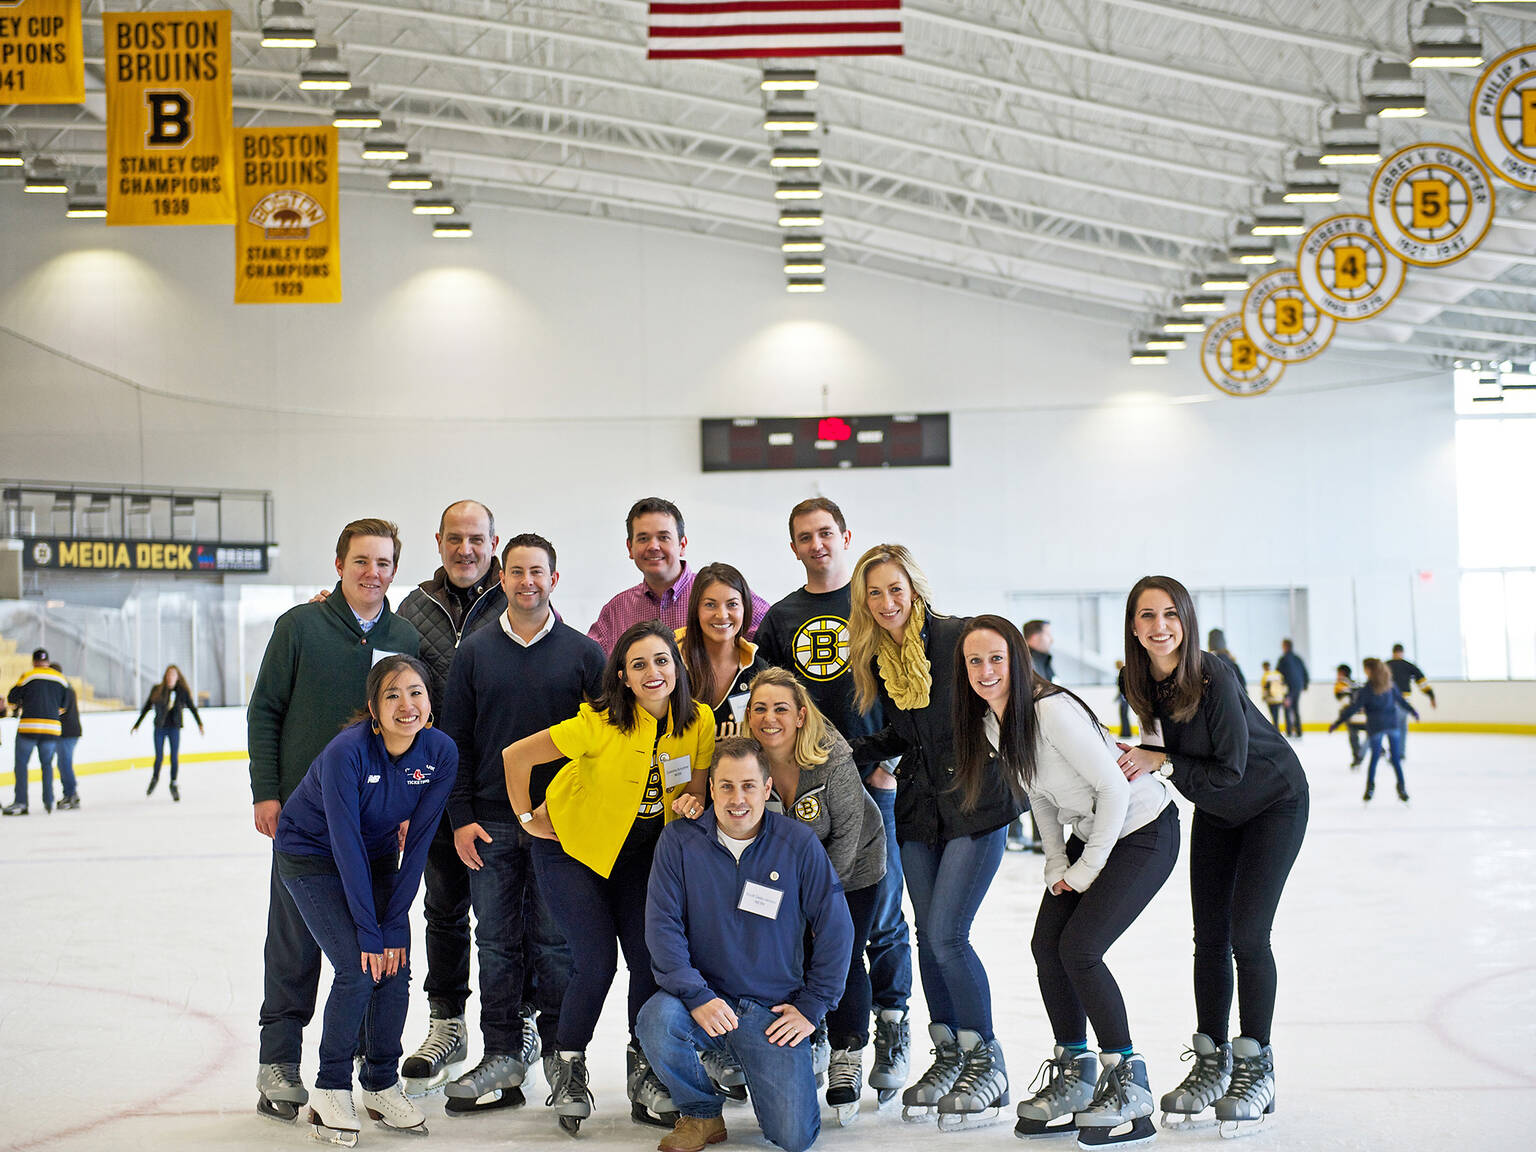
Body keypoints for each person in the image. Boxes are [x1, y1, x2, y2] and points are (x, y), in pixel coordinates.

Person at [953, 616, 1178, 1144]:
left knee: (1080, 949)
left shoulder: (1049, 711)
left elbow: (1114, 790)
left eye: (996, 659)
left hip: (1143, 829)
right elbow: (1041, 798)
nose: (986, 671)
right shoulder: (993, 721)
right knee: (1046, 946)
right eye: (974, 662)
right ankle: (1076, 1071)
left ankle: (1129, 1079)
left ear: (1017, 658)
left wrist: (1087, 868)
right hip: (1092, 832)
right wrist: (1057, 865)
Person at [502, 620, 714, 1134]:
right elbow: (516, 755)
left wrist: (695, 800)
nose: (652, 672)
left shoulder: (699, 720)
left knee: (649, 960)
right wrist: (529, 820)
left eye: (662, 660)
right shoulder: (598, 721)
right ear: (621, 675)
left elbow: (700, 786)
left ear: (677, 666)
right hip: (574, 852)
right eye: (638, 664)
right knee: (596, 963)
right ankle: (569, 1066)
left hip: (640, 859)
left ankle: (645, 1069)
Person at [1118, 576, 1308, 1137]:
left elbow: (1227, 767)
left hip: (1273, 800)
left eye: (1171, 614)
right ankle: (1212, 1058)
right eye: (1148, 616)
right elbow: (1164, 751)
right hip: (1219, 812)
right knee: (1209, 939)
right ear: (1134, 625)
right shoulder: (1139, 681)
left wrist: (1162, 762)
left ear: (1187, 619)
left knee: (1249, 937)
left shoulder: (1212, 673)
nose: (1160, 626)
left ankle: (1256, 1066)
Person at [248, 518, 421, 1123]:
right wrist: (267, 791)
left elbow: (414, 726)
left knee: (375, 953)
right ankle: (280, 1063)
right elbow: (265, 710)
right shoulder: (300, 627)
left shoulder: (403, 636)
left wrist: (406, 808)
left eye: (383, 562)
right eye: (362, 561)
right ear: (340, 564)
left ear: (395, 569)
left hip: (374, 829)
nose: (373, 572)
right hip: (306, 823)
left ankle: (372, 1074)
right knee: (296, 946)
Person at [846, 544, 1021, 1128]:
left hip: (975, 800)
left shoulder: (956, 637)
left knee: (949, 934)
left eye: (895, 589)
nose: (887, 602)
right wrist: (844, 754)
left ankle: (984, 1059)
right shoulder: (876, 659)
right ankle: (948, 1056)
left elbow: (1014, 692)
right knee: (927, 936)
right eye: (875, 593)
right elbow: (902, 736)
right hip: (919, 808)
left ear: (914, 588)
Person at [754, 497, 912, 1105]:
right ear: (792, 546)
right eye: (804, 537)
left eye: (826, 533)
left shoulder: (873, 603)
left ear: (845, 536)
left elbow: (907, 683)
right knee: (812, 914)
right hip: (805, 790)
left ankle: (892, 1025)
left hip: (872, 781)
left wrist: (889, 766)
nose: (816, 544)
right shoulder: (783, 617)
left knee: (884, 912)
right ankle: (820, 1026)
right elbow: (766, 701)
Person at [440, 533, 604, 1114]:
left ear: (554, 579)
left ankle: (564, 1061)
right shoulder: (475, 653)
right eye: (516, 571)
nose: (527, 581)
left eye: (538, 571)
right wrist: (461, 817)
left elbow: (603, 749)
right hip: (491, 823)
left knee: (557, 943)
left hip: (562, 828)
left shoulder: (586, 655)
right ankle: (504, 1054)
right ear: (501, 578)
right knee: (497, 943)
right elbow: (455, 739)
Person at [639, 736, 855, 1152]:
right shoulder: (679, 842)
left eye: (748, 786)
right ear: (711, 789)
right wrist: (697, 995)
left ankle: (784, 1067)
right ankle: (701, 1114)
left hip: (771, 1011)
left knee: (794, 1138)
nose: (738, 798)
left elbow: (836, 928)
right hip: (705, 1004)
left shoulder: (798, 843)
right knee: (656, 1020)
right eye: (726, 786)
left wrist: (813, 1007)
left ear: (767, 788)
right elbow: (662, 929)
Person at [274, 654, 457, 1142]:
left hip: (375, 855)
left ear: (429, 701)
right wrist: (371, 933)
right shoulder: (345, 753)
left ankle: (379, 1083)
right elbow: (344, 844)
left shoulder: (440, 752)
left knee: (394, 963)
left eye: (415, 692)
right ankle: (330, 1087)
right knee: (358, 965)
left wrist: (394, 925)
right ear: (373, 708)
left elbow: (416, 845)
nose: (406, 704)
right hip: (311, 855)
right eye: (392, 695)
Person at [395, 500, 508, 1093]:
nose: (466, 550)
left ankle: (513, 1032)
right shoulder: (414, 608)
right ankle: (447, 1022)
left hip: (497, 792)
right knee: (442, 908)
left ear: (495, 542)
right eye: (455, 539)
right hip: (431, 789)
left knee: (504, 916)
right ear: (438, 541)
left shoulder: (518, 598)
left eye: (477, 539)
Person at [744, 667, 886, 1124]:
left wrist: (815, 904)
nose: (770, 718)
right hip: (781, 877)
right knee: (791, 956)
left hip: (853, 869)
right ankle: (814, 1033)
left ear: (801, 715)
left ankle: (848, 1048)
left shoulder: (832, 758)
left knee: (841, 954)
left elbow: (846, 836)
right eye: (759, 708)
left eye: (781, 708)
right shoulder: (748, 762)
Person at [587, 497, 769, 655]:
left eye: (663, 537)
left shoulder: (722, 592)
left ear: (682, 544)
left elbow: (774, 636)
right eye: (643, 538)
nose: (653, 546)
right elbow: (587, 661)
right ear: (630, 548)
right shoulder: (616, 611)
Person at [676, 562, 769, 739]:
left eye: (732, 604)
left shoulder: (758, 669)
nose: (722, 615)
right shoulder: (673, 665)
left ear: (745, 608)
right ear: (696, 610)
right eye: (710, 605)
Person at [1329, 658, 1418, 803]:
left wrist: (1338, 722)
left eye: (1365, 669)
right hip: (1391, 724)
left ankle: (1370, 788)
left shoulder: (1368, 689)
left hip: (1376, 726)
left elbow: (1354, 707)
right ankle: (1401, 788)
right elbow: (1401, 701)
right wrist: (1413, 711)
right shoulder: (1390, 685)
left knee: (1375, 758)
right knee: (1395, 759)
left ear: (1370, 670)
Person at [3, 648, 70, 816]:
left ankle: (21, 802)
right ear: (48, 661)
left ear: (34, 662)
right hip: (51, 729)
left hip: (29, 728)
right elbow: (63, 707)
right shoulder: (61, 679)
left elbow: (12, 700)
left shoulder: (28, 676)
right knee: (47, 765)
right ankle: (48, 802)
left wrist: (23, 704)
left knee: (21, 765)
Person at [131, 664, 204, 801]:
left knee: (173, 757)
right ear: (166, 676)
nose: (171, 678)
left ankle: (173, 783)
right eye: (169, 675)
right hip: (160, 728)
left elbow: (192, 708)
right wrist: (137, 724)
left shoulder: (182, 692)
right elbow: (147, 707)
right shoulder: (158, 690)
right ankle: (155, 778)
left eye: (173, 675)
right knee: (159, 756)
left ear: (177, 678)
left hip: (174, 728)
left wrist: (199, 723)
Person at [1387, 644, 1436, 759]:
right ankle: (1400, 752)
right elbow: (1422, 682)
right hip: (1404, 700)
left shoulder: (1386, 665)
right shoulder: (1408, 666)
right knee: (1402, 727)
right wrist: (1431, 695)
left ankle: (1396, 752)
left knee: (1394, 727)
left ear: (1393, 652)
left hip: (1389, 700)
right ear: (1402, 652)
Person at [51, 663, 81, 811]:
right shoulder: (64, 687)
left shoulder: (65, 688)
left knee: (65, 763)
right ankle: (69, 794)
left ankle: (71, 794)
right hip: (63, 732)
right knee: (63, 764)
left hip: (68, 733)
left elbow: (60, 710)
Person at [1333, 664, 1366, 768]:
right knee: (1370, 733)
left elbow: (1345, 702)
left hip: (1351, 715)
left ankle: (1357, 757)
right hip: (1363, 714)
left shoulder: (1341, 685)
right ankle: (1379, 750)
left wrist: (1341, 718)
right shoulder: (1355, 683)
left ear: (1342, 673)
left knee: (1353, 736)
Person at [1276, 639, 1308, 738]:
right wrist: (1305, 684)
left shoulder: (1283, 659)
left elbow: (1279, 674)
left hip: (1288, 687)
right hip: (1298, 687)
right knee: (1296, 709)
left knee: (1287, 709)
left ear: (1285, 646)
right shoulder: (1298, 658)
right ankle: (1299, 731)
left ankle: (1289, 731)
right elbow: (1304, 672)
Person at [1259, 661, 1287, 731]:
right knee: (1276, 715)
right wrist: (1283, 696)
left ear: (1264, 667)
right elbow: (1283, 685)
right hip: (1279, 698)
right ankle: (1277, 728)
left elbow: (1265, 688)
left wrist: (1264, 696)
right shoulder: (1278, 674)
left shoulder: (1265, 676)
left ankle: (1276, 729)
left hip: (1271, 699)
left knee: (1273, 715)